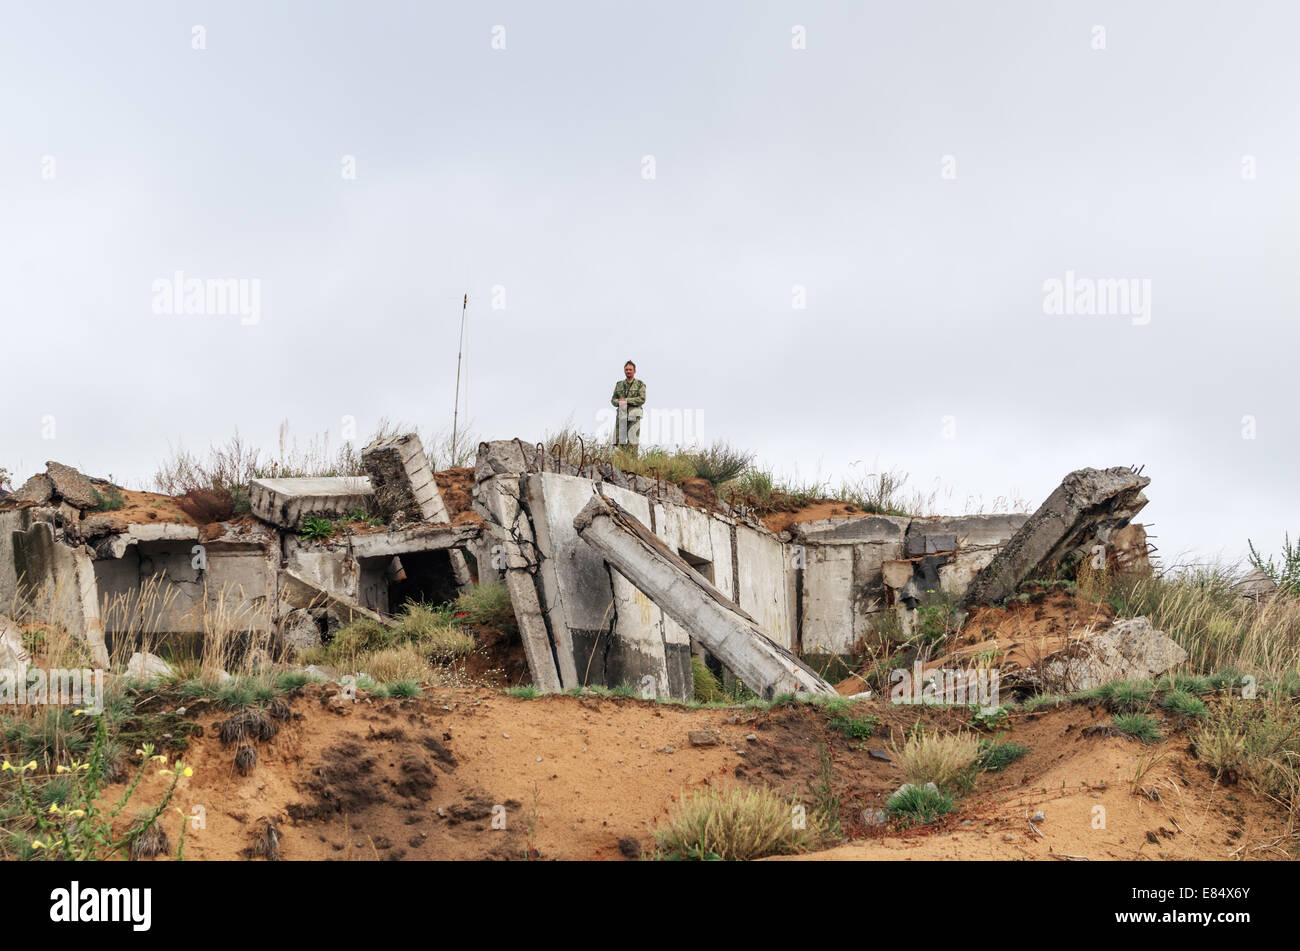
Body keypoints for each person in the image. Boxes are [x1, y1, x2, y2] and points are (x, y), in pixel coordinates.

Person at [610, 360, 646, 449]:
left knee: (633, 441)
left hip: (634, 415)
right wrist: (619, 402)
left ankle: (632, 461)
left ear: (634, 371)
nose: (628, 371)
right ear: (624, 371)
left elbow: (642, 399)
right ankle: (624, 458)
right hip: (622, 416)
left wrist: (626, 400)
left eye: (630, 369)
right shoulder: (619, 385)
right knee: (617, 441)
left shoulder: (639, 384)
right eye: (626, 370)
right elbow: (613, 400)